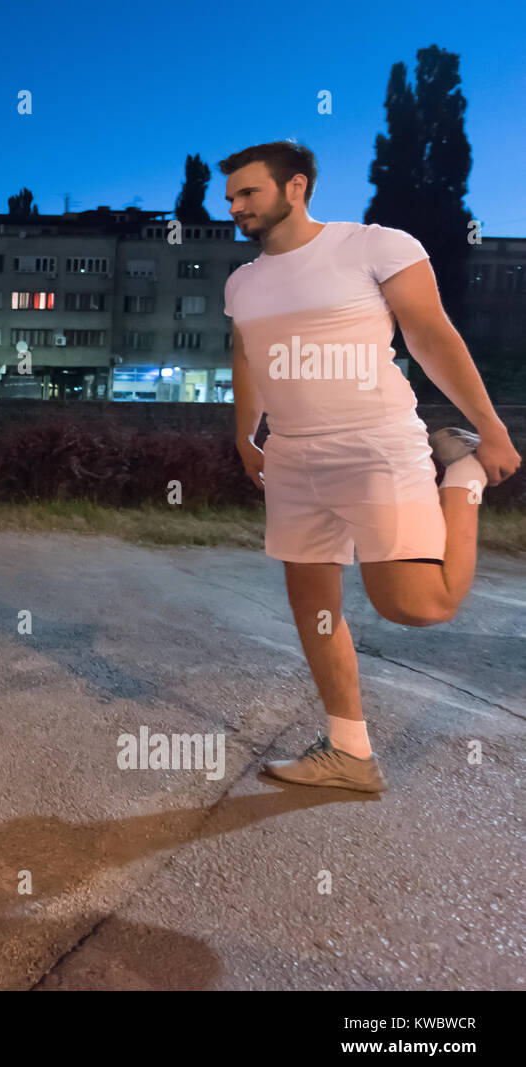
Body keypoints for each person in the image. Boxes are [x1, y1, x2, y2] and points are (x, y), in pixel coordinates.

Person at [222, 141, 522, 793]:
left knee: (417, 604)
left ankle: (461, 481)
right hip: (295, 455)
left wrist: (491, 430)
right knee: (313, 603)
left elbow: (429, 334)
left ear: (295, 186)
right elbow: (247, 360)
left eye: (248, 193)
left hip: (375, 444)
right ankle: (350, 751)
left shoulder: (374, 246)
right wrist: (248, 433)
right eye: (231, 196)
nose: (234, 206)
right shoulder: (242, 283)